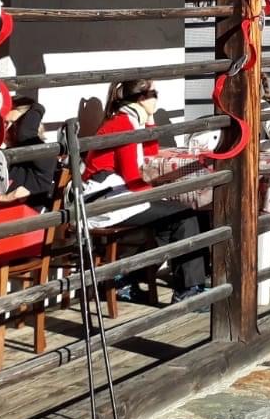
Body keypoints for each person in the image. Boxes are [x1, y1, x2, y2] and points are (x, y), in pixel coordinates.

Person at [83, 79, 212, 299]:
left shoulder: (130, 120)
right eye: (155, 93)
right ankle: (188, 290)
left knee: (170, 220)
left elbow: (150, 152)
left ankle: (124, 277)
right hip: (104, 200)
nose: (157, 98)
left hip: (115, 193)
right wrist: (158, 195)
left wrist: (150, 120)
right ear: (141, 98)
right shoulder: (123, 125)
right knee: (184, 216)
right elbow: (132, 176)